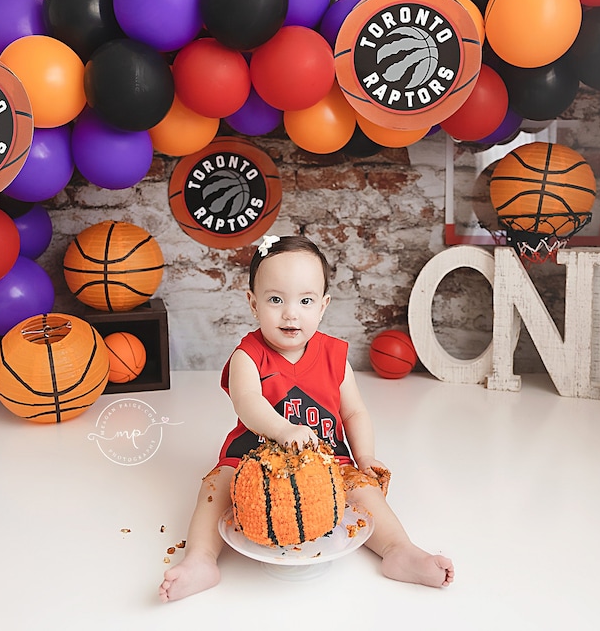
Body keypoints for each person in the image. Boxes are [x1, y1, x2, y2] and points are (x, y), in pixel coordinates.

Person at [159, 234, 453, 602]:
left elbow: (355, 411)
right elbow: (247, 402)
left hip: (328, 457)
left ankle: (399, 551)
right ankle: (201, 559)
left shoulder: (334, 355)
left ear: (323, 305)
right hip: (252, 457)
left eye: (305, 300)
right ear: (253, 303)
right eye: (276, 299)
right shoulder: (247, 357)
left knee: (365, 492)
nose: (290, 312)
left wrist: (364, 457)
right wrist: (282, 429)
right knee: (217, 484)